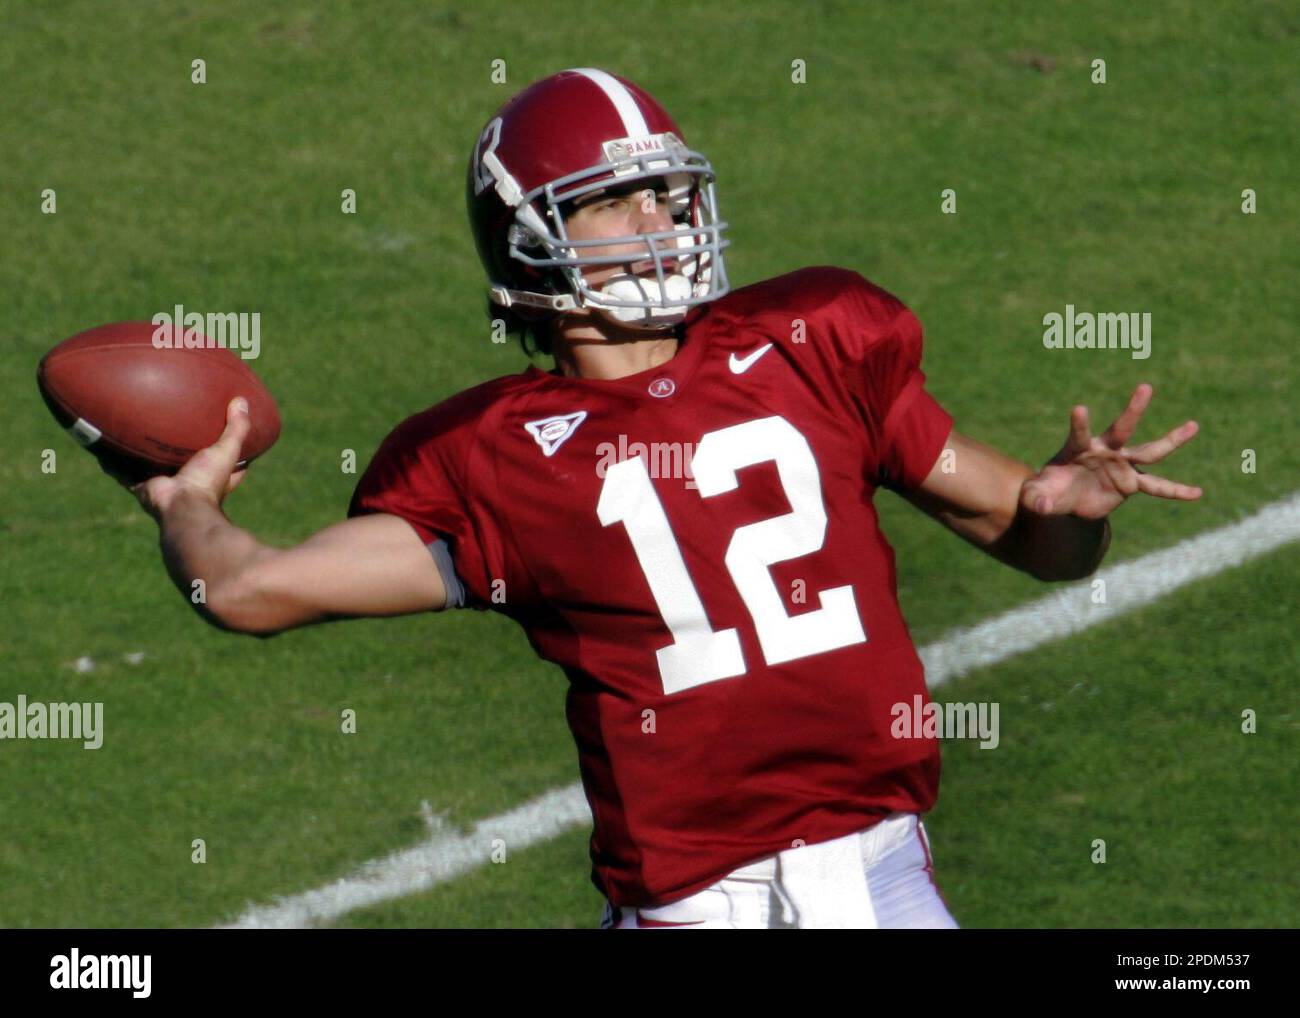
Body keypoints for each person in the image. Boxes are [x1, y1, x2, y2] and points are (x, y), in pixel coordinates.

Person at [124, 68, 1202, 928]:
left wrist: (1070, 513)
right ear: (529, 237)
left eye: (670, 188)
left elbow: (1041, 549)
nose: (665, 215)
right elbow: (246, 588)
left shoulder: (812, 342)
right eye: (616, 198)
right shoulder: (493, 454)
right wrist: (185, 497)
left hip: (881, 879)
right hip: (690, 907)